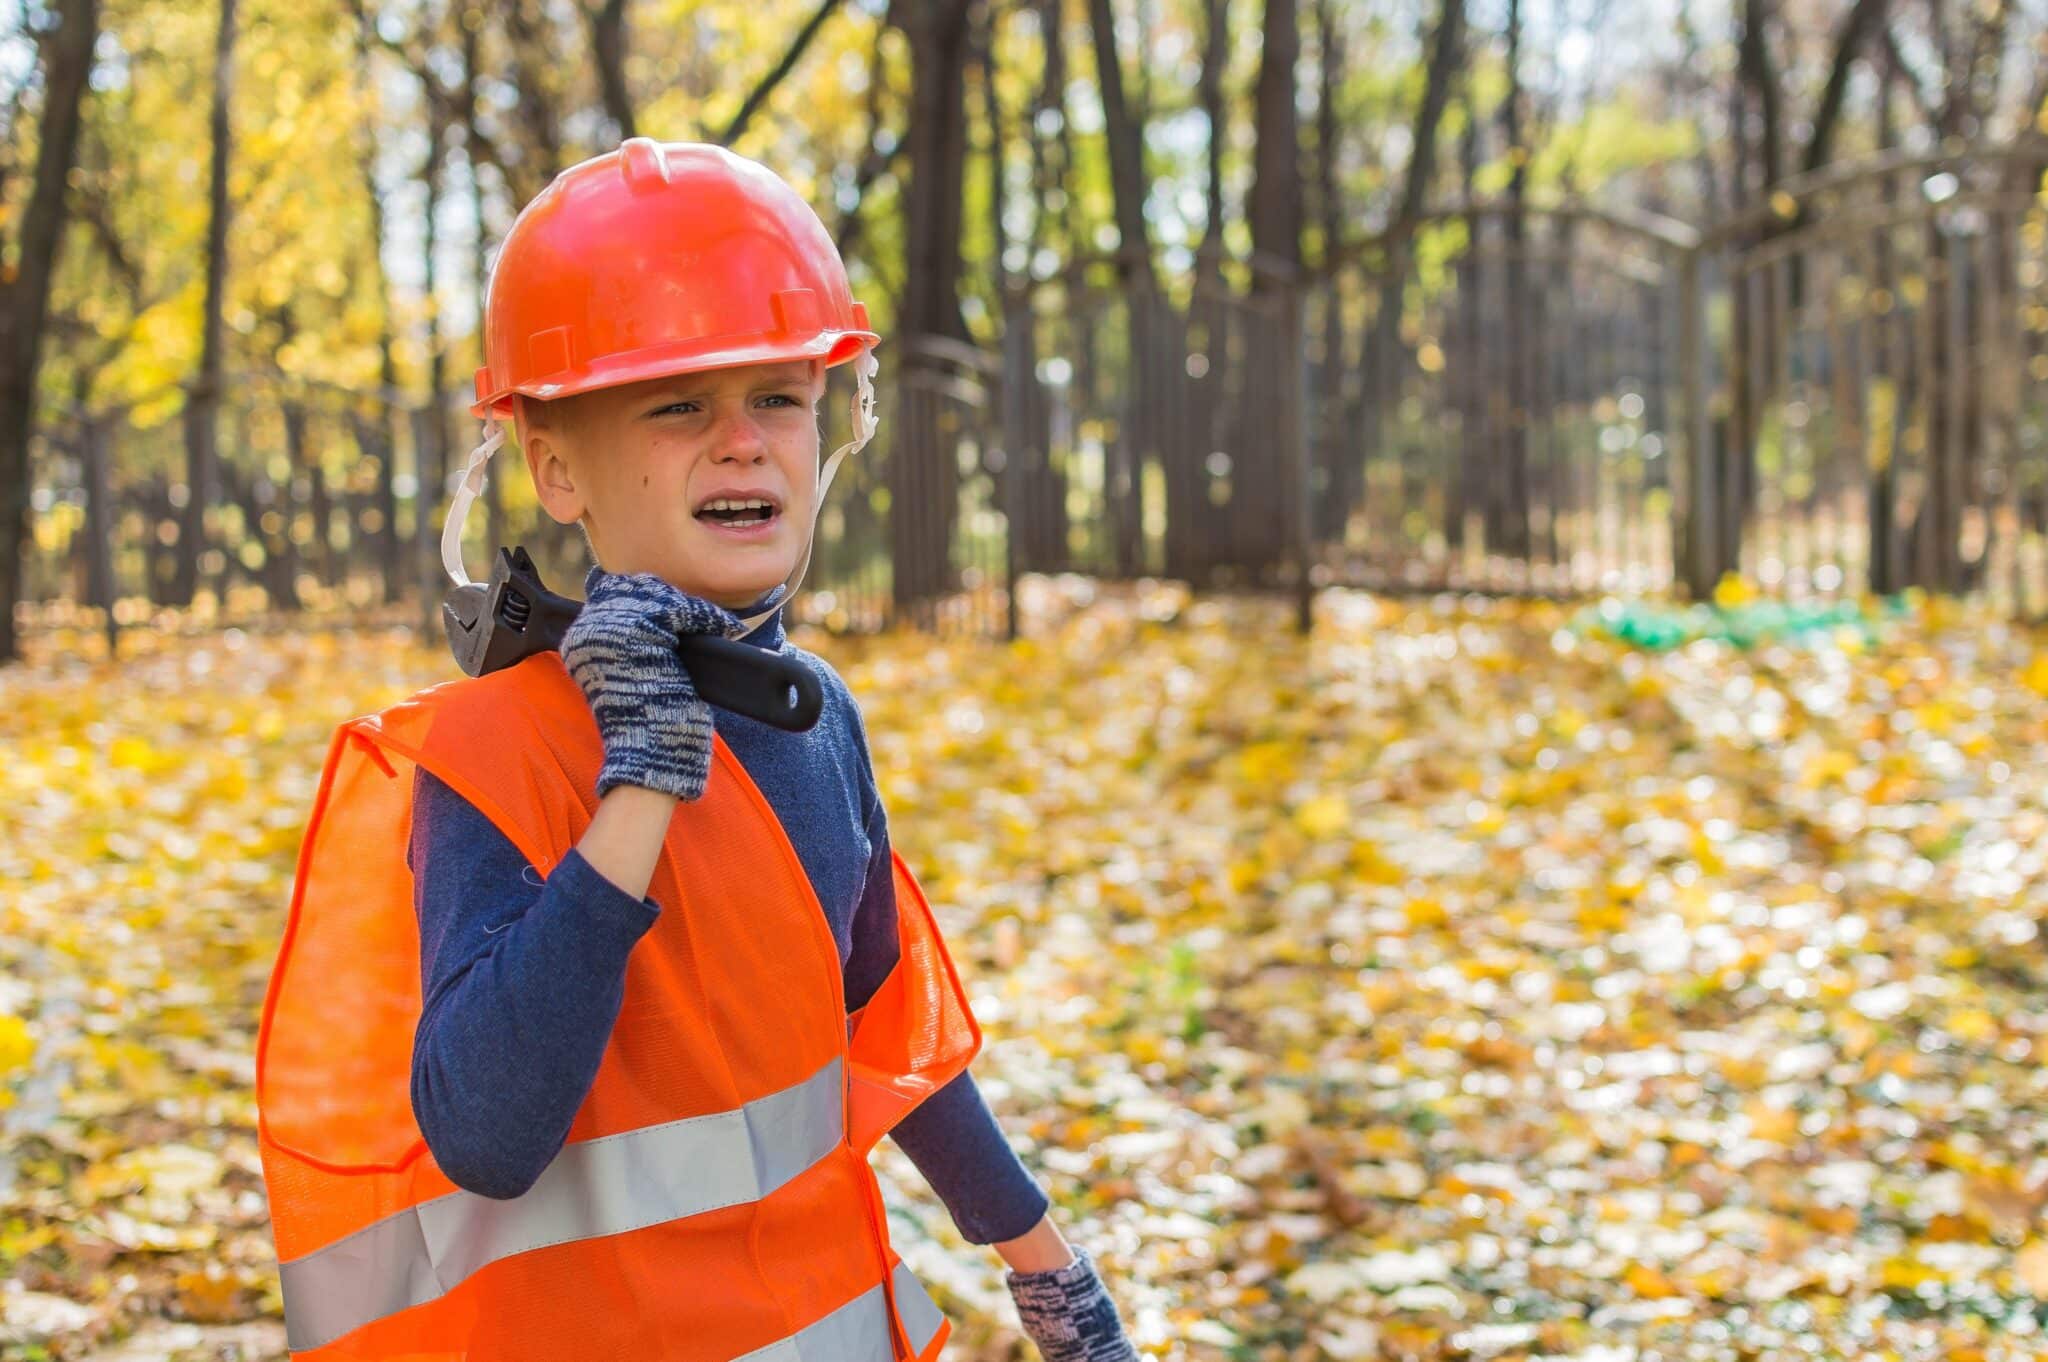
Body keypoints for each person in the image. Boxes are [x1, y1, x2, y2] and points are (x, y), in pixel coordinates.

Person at [254, 138, 1139, 1362]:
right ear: (555, 468)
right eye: (679, 405)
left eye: (777, 395)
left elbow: (879, 1022)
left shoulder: (810, 713)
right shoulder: (495, 751)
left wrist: (1044, 1268)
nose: (742, 439)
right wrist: (642, 778)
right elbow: (487, 1131)